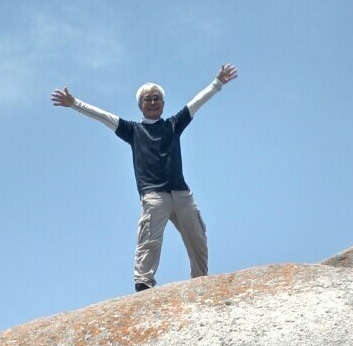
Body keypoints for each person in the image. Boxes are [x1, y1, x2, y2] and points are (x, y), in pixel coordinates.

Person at [51, 64, 237, 290]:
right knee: (149, 243)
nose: (152, 102)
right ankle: (144, 283)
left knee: (198, 239)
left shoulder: (173, 124)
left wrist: (217, 83)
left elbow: (196, 103)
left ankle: (201, 283)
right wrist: (74, 104)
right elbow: (103, 116)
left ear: (163, 104)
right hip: (154, 197)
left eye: (156, 98)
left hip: (182, 194)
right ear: (140, 106)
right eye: (147, 99)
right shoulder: (133, 131)